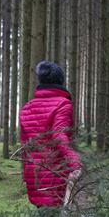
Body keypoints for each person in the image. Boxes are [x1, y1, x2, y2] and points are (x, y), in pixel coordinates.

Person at [19, 60, 82, 208]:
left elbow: (25, 145)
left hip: (33, 172)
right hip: (54, 171)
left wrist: (26, 171)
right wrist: (75, 162)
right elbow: (59, 135)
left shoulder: (27, 107)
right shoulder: (63, 104)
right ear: (60, 81)